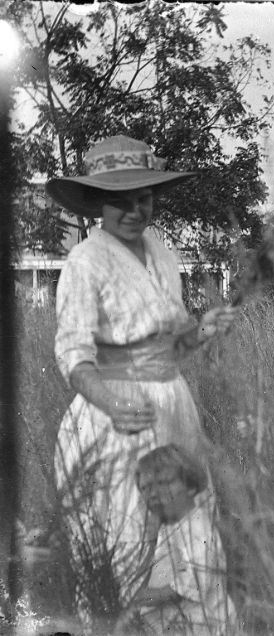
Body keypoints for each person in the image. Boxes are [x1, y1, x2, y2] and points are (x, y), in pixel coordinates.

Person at [47, 136, 239, 624]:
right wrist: (110, 404)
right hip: (115, 419)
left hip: (172, 409)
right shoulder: (85, 262)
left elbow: (171, 347)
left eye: (144, 198)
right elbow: (74, 356)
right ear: (97, 203)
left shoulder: (162, 253)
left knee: (191, 535)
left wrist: (203, 333)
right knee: (127, 537)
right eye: (120, 200)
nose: (134, 210)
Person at [120, 444, 234, 635]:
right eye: (145, 488)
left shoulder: (197, 525)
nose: (153, 493)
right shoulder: (168, 528)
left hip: (208, 624)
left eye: (163, 483)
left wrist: (143, 598)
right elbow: (160, 575)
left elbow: (195, 584)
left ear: (190, 486)